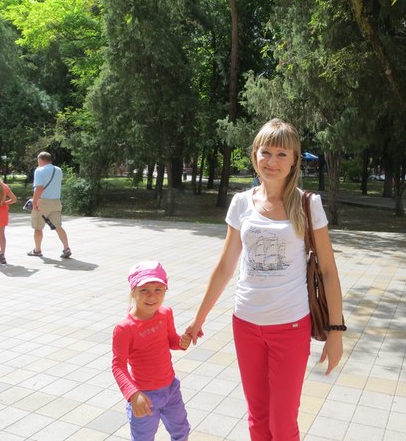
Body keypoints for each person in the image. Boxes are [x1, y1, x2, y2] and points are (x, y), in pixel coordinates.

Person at [185, 118, 345, 441]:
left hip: (290, 327)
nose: (272, 161)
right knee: (258, 420)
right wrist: (198, 319)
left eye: (281, 154)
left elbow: (328, 271)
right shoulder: (241, 203)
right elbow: (225, 266)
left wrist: (336, 331)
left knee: (282, 425)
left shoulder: (308, 204)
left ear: (294, 160)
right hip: (245, 324)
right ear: (255, 154)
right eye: (265, 152)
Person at [112, 261, 191, 441]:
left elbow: (171, 340)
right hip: (144, 396)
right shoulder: (124, 328)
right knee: (143, 438)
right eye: (144, 290)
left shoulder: (166, 313)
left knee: (182, 431)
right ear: (133, 292)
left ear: (165, 290)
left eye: (158, 290)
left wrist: (182, 342)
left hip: (171, 388)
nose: (152, 296)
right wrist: (133, 394)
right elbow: (118, 366)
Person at [27, 151, 72, 258]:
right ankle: (66, 248)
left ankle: (37, 250)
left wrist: (34, 202)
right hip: (56, 201)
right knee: (58, 226)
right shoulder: (58, 170)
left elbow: (39, 188)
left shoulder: (39, 170)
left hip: (42, 202)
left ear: (40, 159)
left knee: (38, 227)